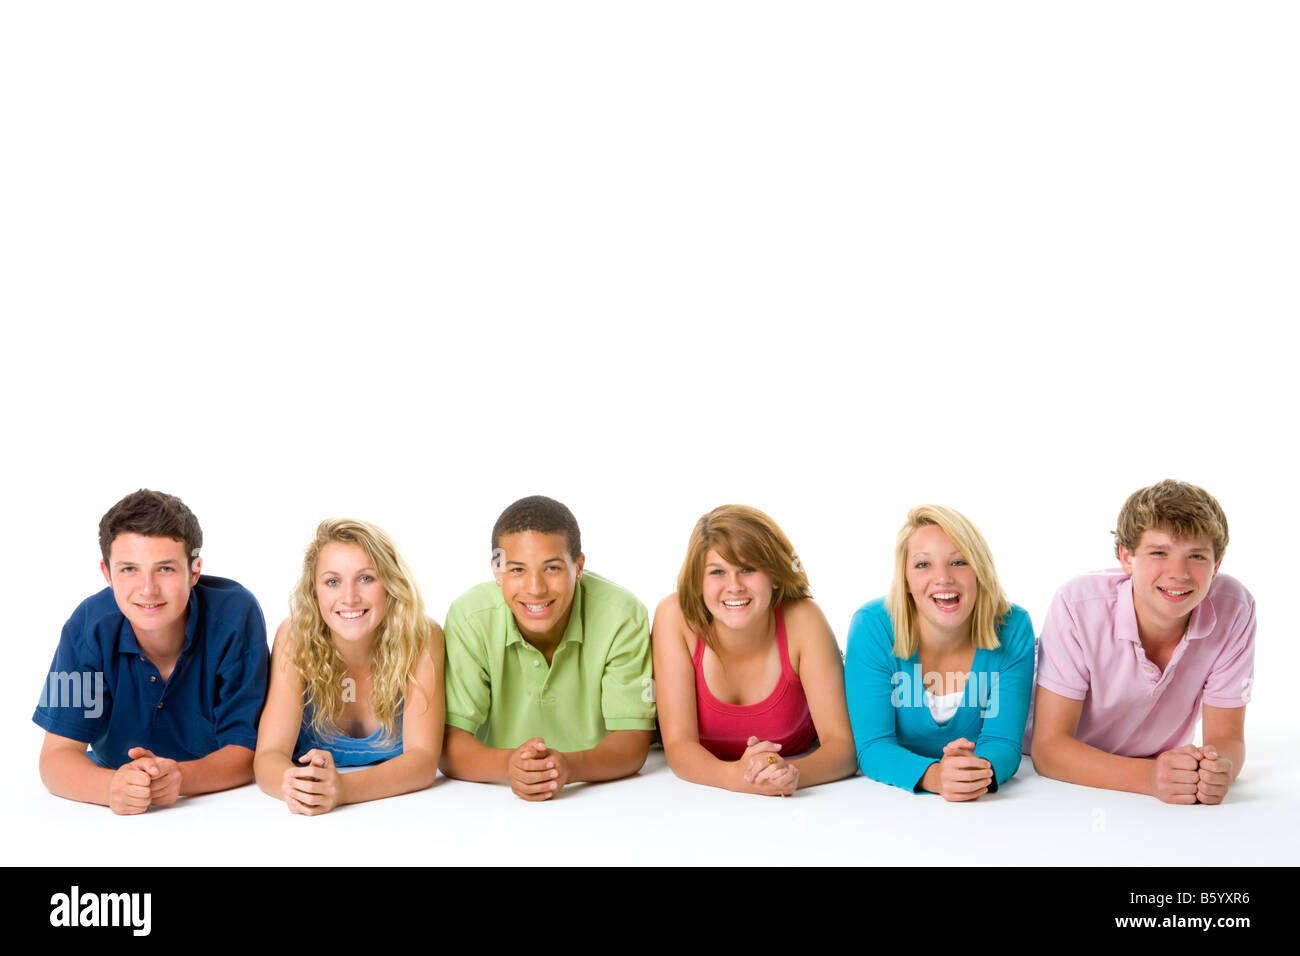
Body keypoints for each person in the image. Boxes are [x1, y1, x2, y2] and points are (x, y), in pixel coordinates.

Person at [33, 489, 269, 814]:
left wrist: (179, 778)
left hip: (219, 806)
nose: (148, 589)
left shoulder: (234, 615)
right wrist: (110, 787)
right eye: (129, 569)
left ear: (194, 571)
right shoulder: (86, 628)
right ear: (108, 574)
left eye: (166, 569)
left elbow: (245, 752)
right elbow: (56, 757)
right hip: (113, 788)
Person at [1028, 479, 1254, 805]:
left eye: (1196, 556)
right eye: (1159, 553)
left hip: (1147, 754)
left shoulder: (1235, 608)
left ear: (1216, 565)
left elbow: (1227, 737)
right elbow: (1048, 750)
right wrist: (1149, 778)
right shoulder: (1077, 604)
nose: (1178, 573)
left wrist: (1218, 770)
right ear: (1127, 557)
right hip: (1036, 748)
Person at [440, 495, 655, 801]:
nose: (535, 588)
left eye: (552, 568)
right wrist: (509, 766)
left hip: (604, 797)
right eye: (517, 570)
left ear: (578, 567)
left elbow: (633, 741)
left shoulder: (622, 615)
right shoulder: (469, 617)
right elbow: (449, 745)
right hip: (488, 801)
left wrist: (567, 767)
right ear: (497, 572)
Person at [652, 505, 856, 795]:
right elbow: (679, 745)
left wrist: (788, 774)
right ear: (698, 581)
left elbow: (842, 748)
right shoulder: (674, 616)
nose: (734, 586)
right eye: (717, 572)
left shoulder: (804, 618)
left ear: (775, 576)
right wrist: (738, 777)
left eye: (748, 569)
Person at [844, 505, 1034, 800]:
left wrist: (975, 771)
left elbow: (1003, 742)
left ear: (979, 571)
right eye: (923, 565)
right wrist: (934, 776)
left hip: (987, 812)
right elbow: (873, 746)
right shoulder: (872, 626)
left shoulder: (1013, 626)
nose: (943, 578)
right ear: (905, 579)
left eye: (959, 562)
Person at [254, 519, 443, 814]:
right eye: (332, 582)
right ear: (314, 593)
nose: (350, 597)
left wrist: (342, 790)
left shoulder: (421, 637)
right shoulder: (295, 638)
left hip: (404, 817)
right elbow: (268, 756)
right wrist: (300, 786)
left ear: (390, 585)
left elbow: (423, 761)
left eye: (366, 578)